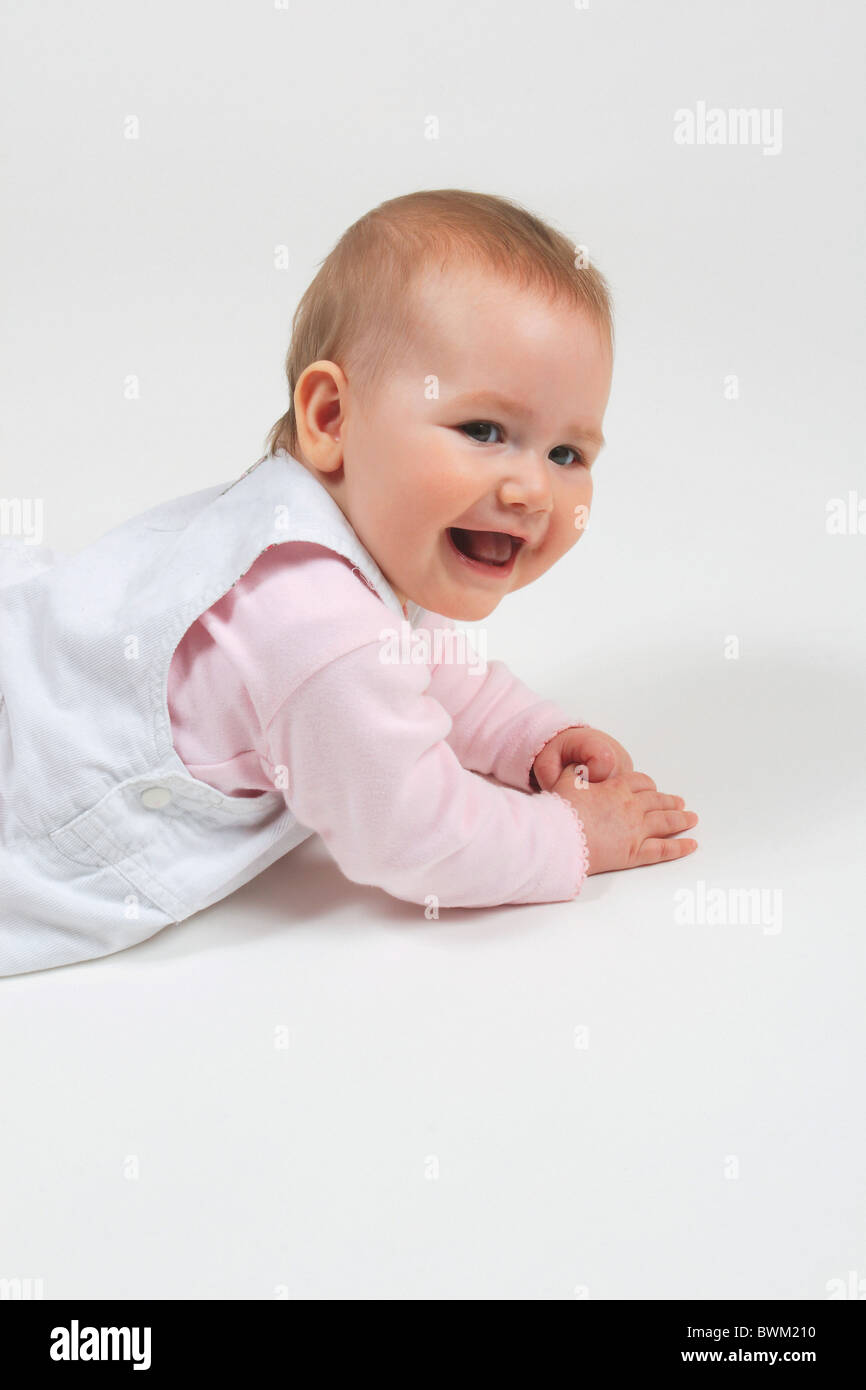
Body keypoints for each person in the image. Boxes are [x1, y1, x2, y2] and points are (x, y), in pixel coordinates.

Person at [0, 189, 697, 977]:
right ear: (331, 418)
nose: (533, 489)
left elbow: (425, 660)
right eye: (484, 431)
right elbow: (416, 836)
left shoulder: (332, 542)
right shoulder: (317, 629)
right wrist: (570, 837)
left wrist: (524, 738)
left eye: (567, 454)